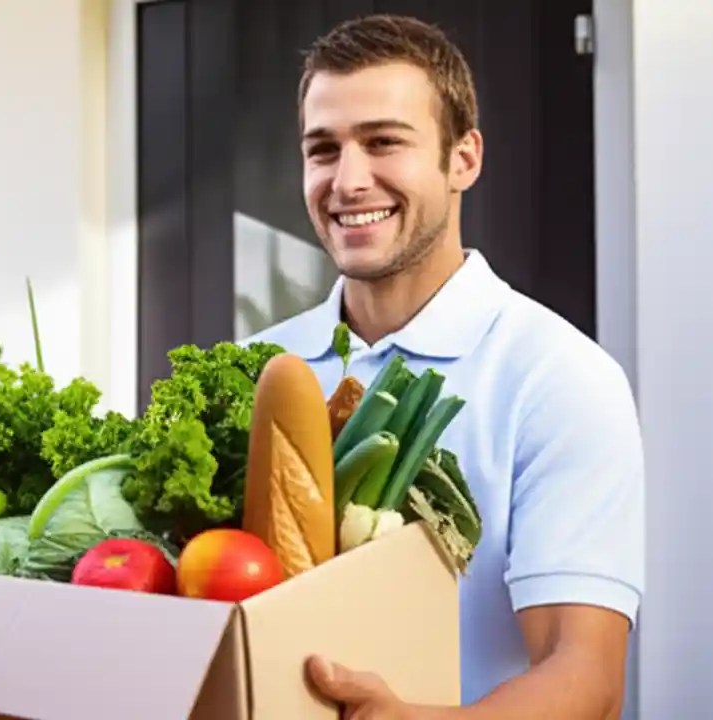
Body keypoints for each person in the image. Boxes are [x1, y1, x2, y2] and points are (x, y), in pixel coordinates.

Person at [246, 14, 645, 719]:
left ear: (464, 158)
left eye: (383, 143)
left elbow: (585, 679)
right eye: (323, 149)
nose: (348, 180)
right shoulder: (259, 368)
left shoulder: (557, 378)